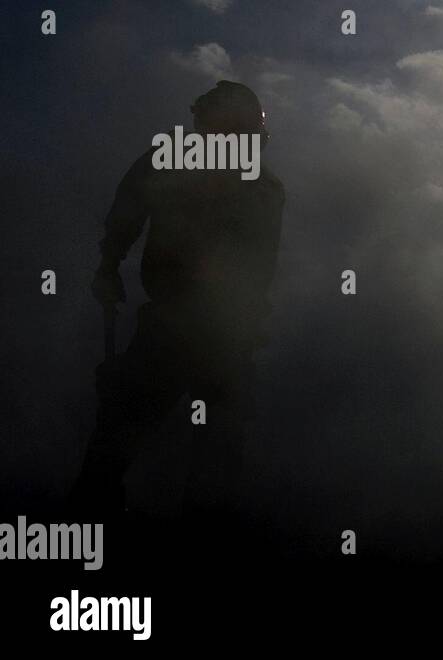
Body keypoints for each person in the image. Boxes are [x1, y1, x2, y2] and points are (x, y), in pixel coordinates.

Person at [70, 81, 285, 515]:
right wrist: (109, 265)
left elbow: (127, 214)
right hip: (206, 332)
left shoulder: (241, 181)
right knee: (191, 444)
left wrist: (109, 266)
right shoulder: (254, 183)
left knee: (138, 434)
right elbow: (129, 213)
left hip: (205, 331)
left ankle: (99, 516)